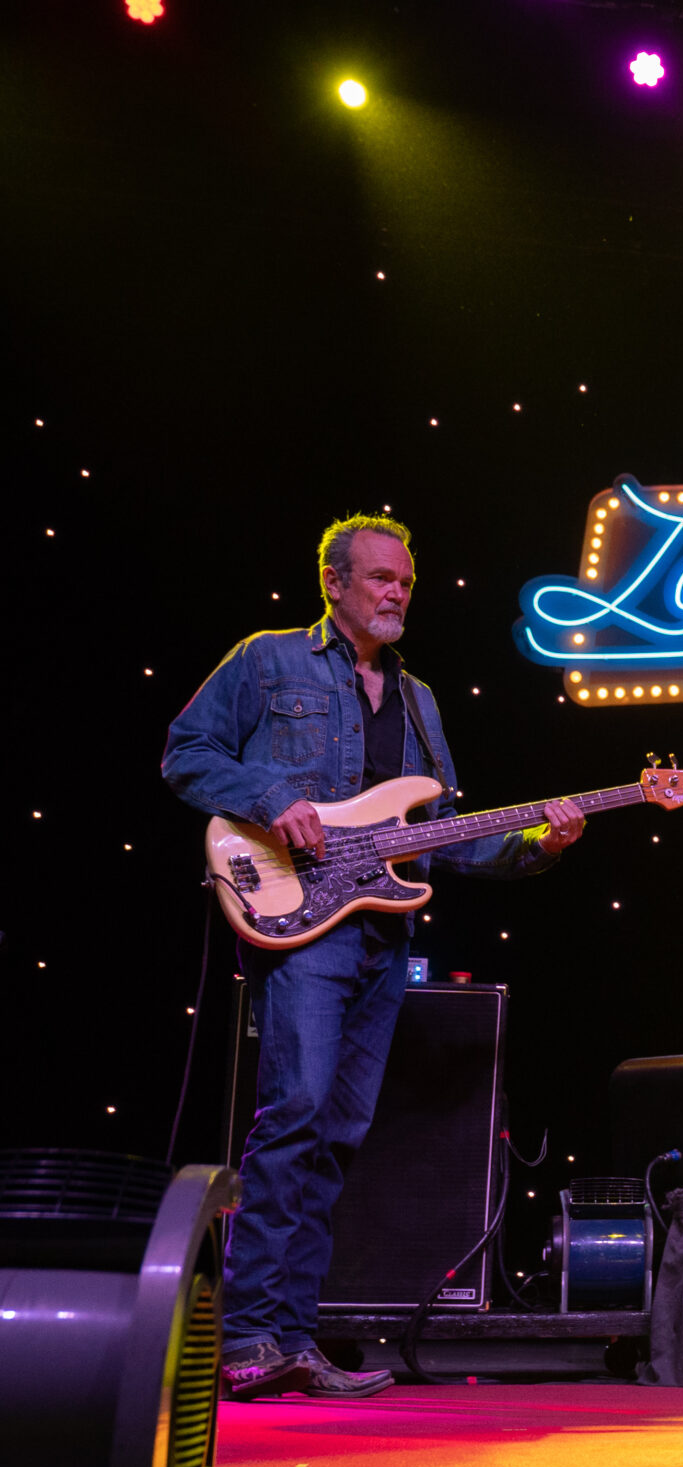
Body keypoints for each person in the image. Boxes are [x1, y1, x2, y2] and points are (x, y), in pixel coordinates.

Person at [165, 514, 585, 1400]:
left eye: (406, 581)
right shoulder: (269, 660)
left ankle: (291, 1335)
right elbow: (187, 752)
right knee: (299, 1109)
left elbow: (444, 837)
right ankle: (241, 1334)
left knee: (340, 1134)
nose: (398, 593)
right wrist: (274, 795)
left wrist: (539, 845)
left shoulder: (421, 699)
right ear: (335, 581)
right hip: (299, 919)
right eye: (382, 579)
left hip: (384, 937)